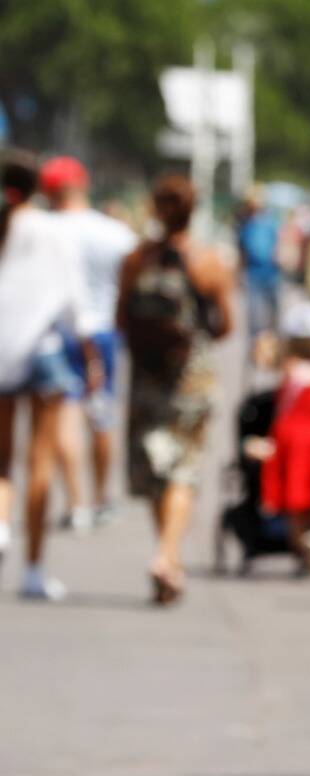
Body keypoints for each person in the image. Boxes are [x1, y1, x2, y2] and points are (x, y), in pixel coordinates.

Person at [117, 173, 234, 605]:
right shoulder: (207, 261)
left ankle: (168, 556)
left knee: (154, 467)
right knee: (184, 468)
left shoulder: (136, 259)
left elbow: (121, 320)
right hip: (191, 373)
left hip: (147, 373)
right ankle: (168, 555)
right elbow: (226, 325)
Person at [0, 152, 92, 600]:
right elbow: (75, 301)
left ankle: (0, 524)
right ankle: (34, 568)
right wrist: (91, 353)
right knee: (40, 462)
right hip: (43, 351)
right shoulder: (53, 230)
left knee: (1, 460)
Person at [40, 156, 139, 530]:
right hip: (103, 330)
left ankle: (76, 501)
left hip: (56, 331)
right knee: (101, 414)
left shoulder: (43, 229)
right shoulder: (112, 232)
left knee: (66, 412)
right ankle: (101, 497)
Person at [263, 300, 310, 575]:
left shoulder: (289, 367)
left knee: (295, 500)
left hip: (291, 440)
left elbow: (264, 360)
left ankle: (301, 546)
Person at [236, 188, 282, 349]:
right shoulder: (245, 224)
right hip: (253, 274)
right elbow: (242, 250)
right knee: (254, 317)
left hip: (271, 273)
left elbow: (278, 244)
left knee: (274, 314)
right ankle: (254, 347)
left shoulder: (270, 221)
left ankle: (273, 345)